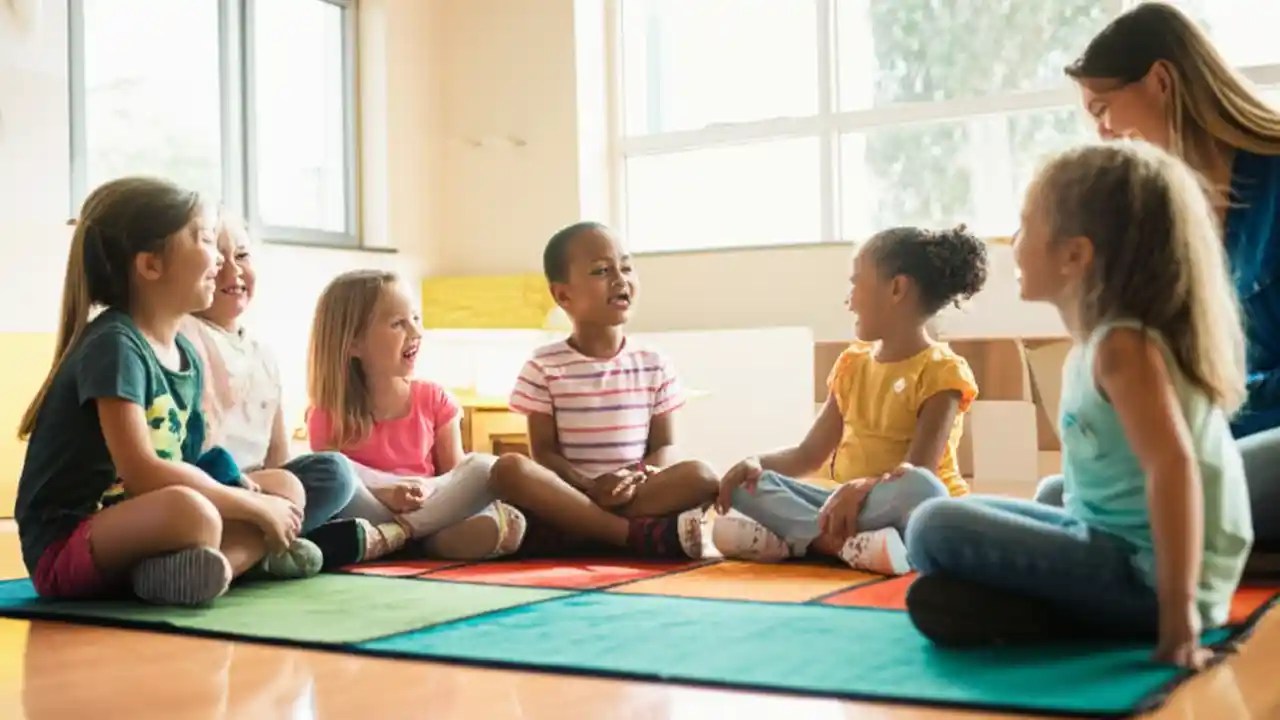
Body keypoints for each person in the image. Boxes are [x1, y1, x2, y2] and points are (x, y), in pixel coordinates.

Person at [904, 142, 1253, 670]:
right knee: (1052, 491)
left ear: (1074, 255)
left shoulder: (1123, 349)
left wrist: (1178, 620)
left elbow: (1174, 468)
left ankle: (1064, 616)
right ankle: (1037, 610)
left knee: (932, 524)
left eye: (1024, 228)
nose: (1014, 244)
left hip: (1149, 580)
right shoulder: (1104, 343)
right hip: (1126, 550)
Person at [16, 177, 321, 606]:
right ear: (151, 265)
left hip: (146, 516)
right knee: (193, 514)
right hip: (69, 544)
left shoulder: (184, 354)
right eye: (206, 240)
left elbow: (188, 462)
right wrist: (249, 509)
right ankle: (215, 561)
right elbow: (143, 471)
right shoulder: (115, 344)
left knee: (285, 487)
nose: (219, 260)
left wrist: (248, 492)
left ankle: (206, 573)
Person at [1064, 0, 1280, 562]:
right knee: (1061, 492)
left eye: (1104, 108)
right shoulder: (1172, 220)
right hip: (1225, 439)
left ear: (1161, 81)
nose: (1104, 134)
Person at [713, 226, 986, 574]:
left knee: (923, 490)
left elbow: (918, 470)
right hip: (839, 502)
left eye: (856, 283)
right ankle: (842, 544)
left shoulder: (942, 372)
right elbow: (806, 455)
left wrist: (865, 487)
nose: (849, 299)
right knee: (748, 487)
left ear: (897, 289)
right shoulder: (852, 365)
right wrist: (754, 463)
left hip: (901, 504)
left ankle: (802, 538)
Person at [488, 222, 716, 559]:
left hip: (635, 490)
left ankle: (582, 530)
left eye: (625, 267)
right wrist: (589, 487)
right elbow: (544, 453)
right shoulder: (543, 366)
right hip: (573, 490)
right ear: (563, 294)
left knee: (702, 476)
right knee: (509, 469)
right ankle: (631, 535)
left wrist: (629, 479)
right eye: (601, 270)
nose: (620, 279)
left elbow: (664, 445)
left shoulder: (654, 363)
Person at [179, 211, 365, 566]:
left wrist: (275, 492)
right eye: (218, 258)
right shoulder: (185, 333)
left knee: (333, 472)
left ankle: (254, 548)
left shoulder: (264, 354)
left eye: (243, 255)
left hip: (262, 487)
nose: (233, 271)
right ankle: (257, 551)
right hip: (210, 485)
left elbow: (277, 456)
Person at [307, 269, 524, 561]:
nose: (416, 332)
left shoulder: (434, 399)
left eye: (416, 319)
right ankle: (420, 540)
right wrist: (385, 491)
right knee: (334, 470)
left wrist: (427, 489)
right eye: (398, 323)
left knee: (485, 468)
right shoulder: (326, 415)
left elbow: (456, 479)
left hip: (428, 509)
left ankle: (399, 537)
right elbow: (338, 487)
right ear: (353, 343)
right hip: (373, 512)